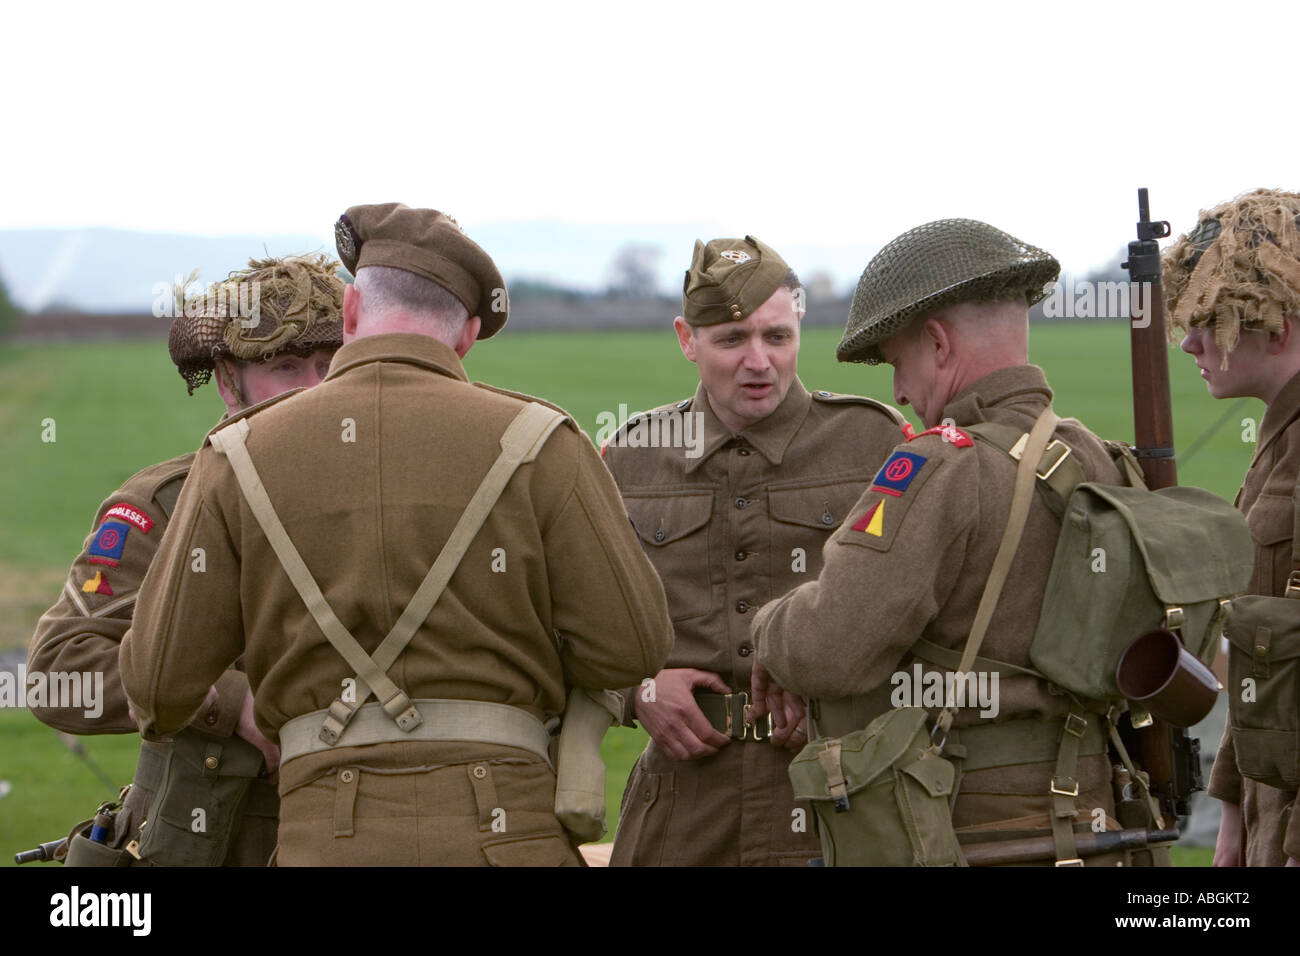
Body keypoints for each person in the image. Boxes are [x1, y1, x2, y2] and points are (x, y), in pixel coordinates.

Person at [120, 203, 674, 866]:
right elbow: (632, 648)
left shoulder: (235, 455)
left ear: (352, 313)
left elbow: (157, 689)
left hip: (323, 838)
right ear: (468, 334)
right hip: (509, 832)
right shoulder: (543, 442)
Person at [749, 218, 1167, 866]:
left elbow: (828, 648)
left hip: (970, 839)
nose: (899, 393)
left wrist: (768, 633)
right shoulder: (1104, 460)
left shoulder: (938, 467)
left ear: (938, 345)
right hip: (1099, 827)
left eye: (897, 363)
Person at [28, 253, 344, 865]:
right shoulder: (163, 506)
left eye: (329, 366)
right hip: (203, 839)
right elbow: (57, 671)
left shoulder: (394, 500)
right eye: (285, 367)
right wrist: (232, 705)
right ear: (229, 381)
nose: (314, 389)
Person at [604, 235, 905, 866]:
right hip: (684, 799)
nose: (759, 361)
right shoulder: (631, 456)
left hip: (839, 787)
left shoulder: (872, 444)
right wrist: (637, 690)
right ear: (688, 340)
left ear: (799, 325)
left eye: (776, 336)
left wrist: (834, 688)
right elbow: (578, 618)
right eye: (732, 339)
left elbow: (924, 607)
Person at [1168, 188, 1300, 867]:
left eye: (1211, 322)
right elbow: (1264, 656)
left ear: (1274, 329)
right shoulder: (1279, 438)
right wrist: (1232, 810)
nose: (1189, 342)